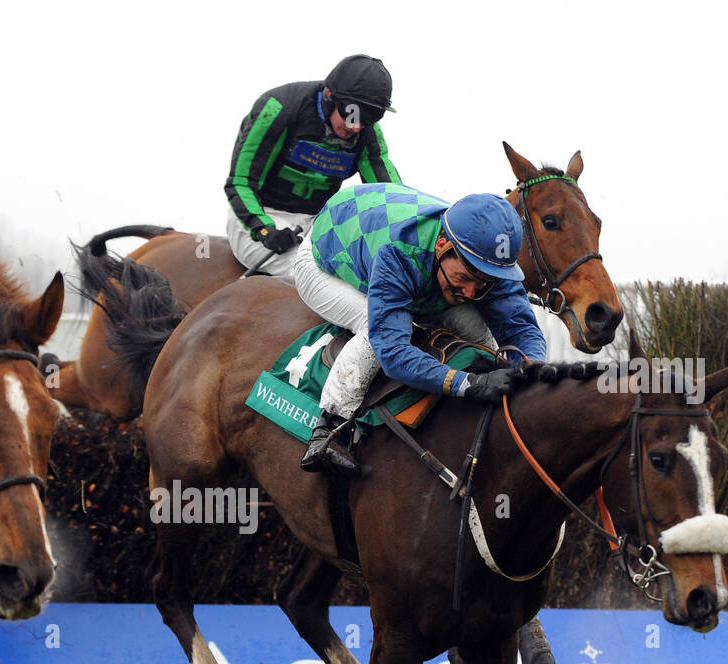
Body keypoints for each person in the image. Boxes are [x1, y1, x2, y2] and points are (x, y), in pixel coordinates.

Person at [293, 184, 545, 475]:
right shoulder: (399, 252)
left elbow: (522, 329)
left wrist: (530, 371)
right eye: (464, 276)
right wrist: (467, 384)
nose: (472, 290)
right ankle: (330, 429)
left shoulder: (490, 260)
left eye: (485, 282)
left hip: (413, 261)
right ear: (442, 246)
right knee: (370, 326)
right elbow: (393, 351)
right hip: (322, 258)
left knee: (476, 324)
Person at [225, 55, 401, 283]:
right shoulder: (278, 108)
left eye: (370, 117)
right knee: (325, 278)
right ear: (329, 96)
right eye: (351, 112)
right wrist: (265, 229)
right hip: (259, 218)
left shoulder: (366, 133)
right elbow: (239, 182)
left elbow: (391, 197)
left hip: (314, 225)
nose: (356, 126)